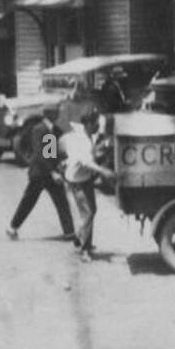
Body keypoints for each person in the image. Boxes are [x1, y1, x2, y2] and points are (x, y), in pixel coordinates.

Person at [6, 109, 75, 240]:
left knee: (61, 201)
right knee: (29, 201)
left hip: (47, 172)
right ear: (49, 114)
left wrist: (60, 162)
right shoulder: (40, 129)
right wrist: (53, 172)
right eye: (56, 113)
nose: (58, 115)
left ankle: (69, 231)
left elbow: (51, 152)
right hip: (40, 173)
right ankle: (12, 227)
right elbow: (41, 154)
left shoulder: (52, 129)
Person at [60, 108, 116, 262]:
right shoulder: (82, 139)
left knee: (92, 210)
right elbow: (85, 162)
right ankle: (84, 249)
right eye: (96, 124)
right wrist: (104, 171)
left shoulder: (87, 135)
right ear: (88, 124)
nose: (98, 126)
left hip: (84, 178)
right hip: (77, 180)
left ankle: (80, 239)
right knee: (88, 213)